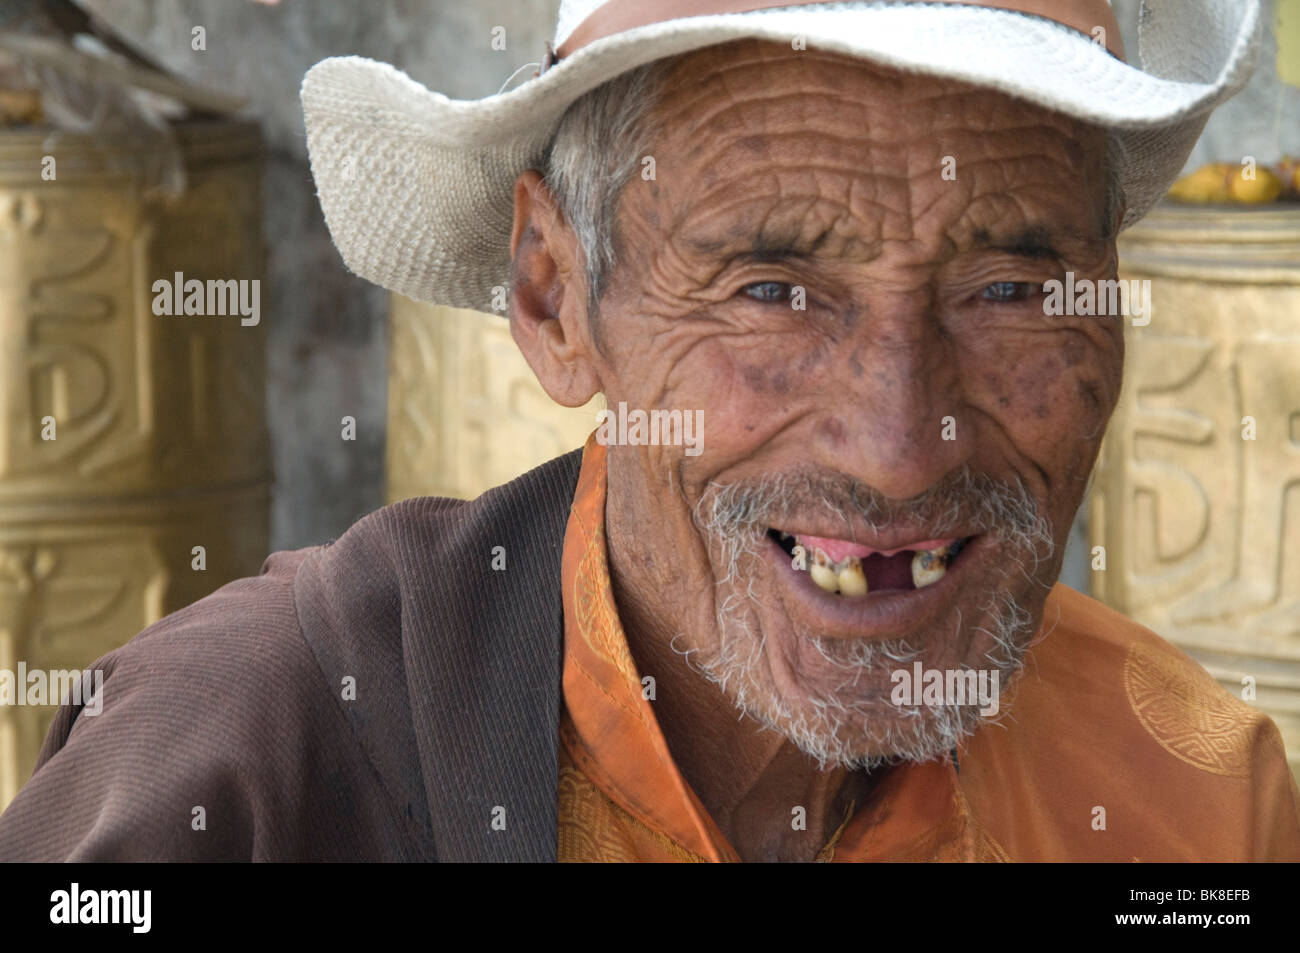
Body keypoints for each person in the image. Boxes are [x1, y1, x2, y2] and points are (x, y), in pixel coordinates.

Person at [2, 0, 1296, 861]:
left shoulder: (1183, 799)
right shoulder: (237, 772)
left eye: (1008, 290)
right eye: (773, 291)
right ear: (555, 299)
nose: (900, 444)